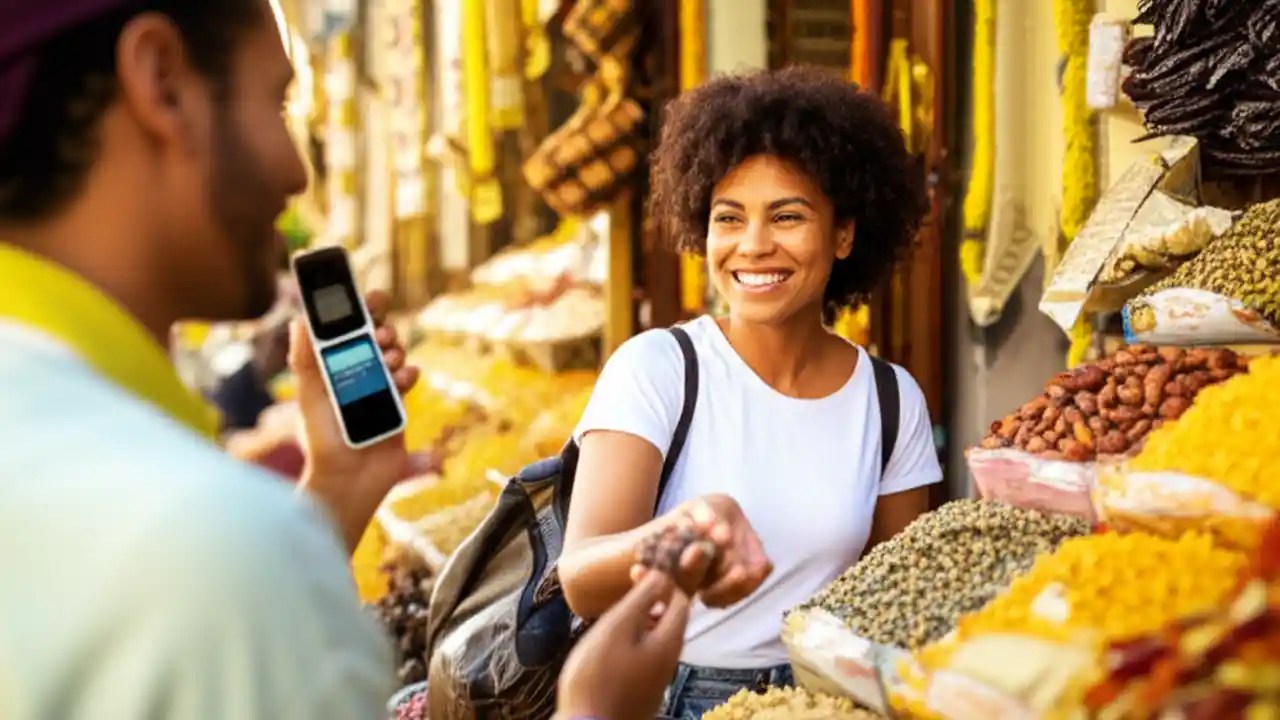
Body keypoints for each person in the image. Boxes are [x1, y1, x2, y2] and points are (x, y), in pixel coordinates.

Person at [0, 2, 423, 718]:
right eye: (276, 100)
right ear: (162, 80)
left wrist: (338, 490)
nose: (296, 171)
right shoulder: (209, 554)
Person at [557, 66, 943, 718]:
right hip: (675, 696)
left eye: (787, 216)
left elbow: (893, 605)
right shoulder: (659, 369)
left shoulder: (890, 401)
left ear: (843, 234)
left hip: (826, 701)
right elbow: (580, 580)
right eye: (728, 218)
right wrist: (681, 537)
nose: (753, 246)